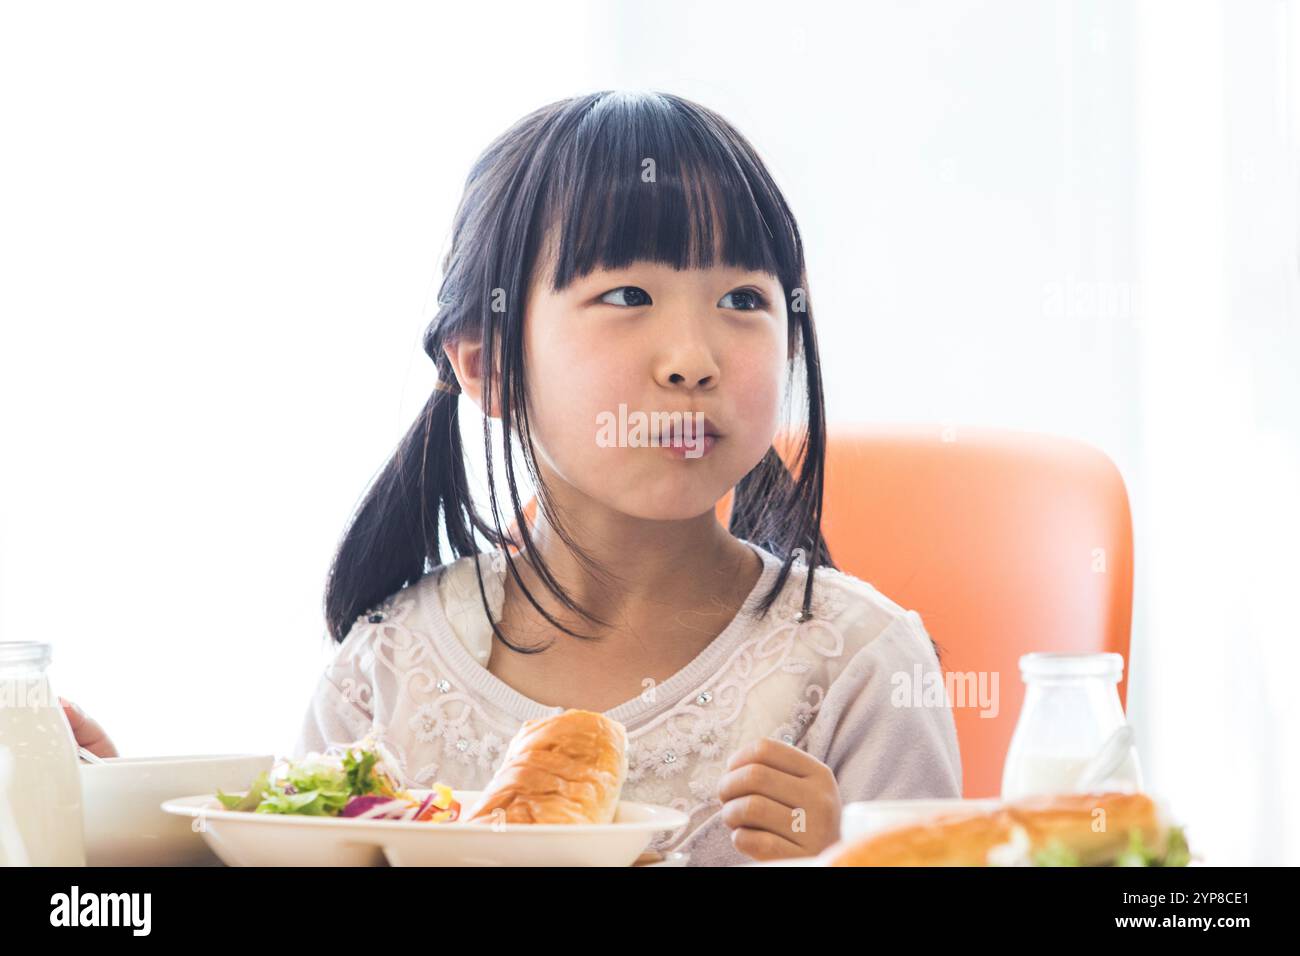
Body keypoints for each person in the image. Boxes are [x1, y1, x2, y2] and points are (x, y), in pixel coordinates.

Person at [66, 90, 961, 866]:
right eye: (627, 297)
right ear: (488, 363)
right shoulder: (389, 668)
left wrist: (851, 863)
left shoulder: (859, 667)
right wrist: (114, 833)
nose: (693, 359)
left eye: (743, 300)